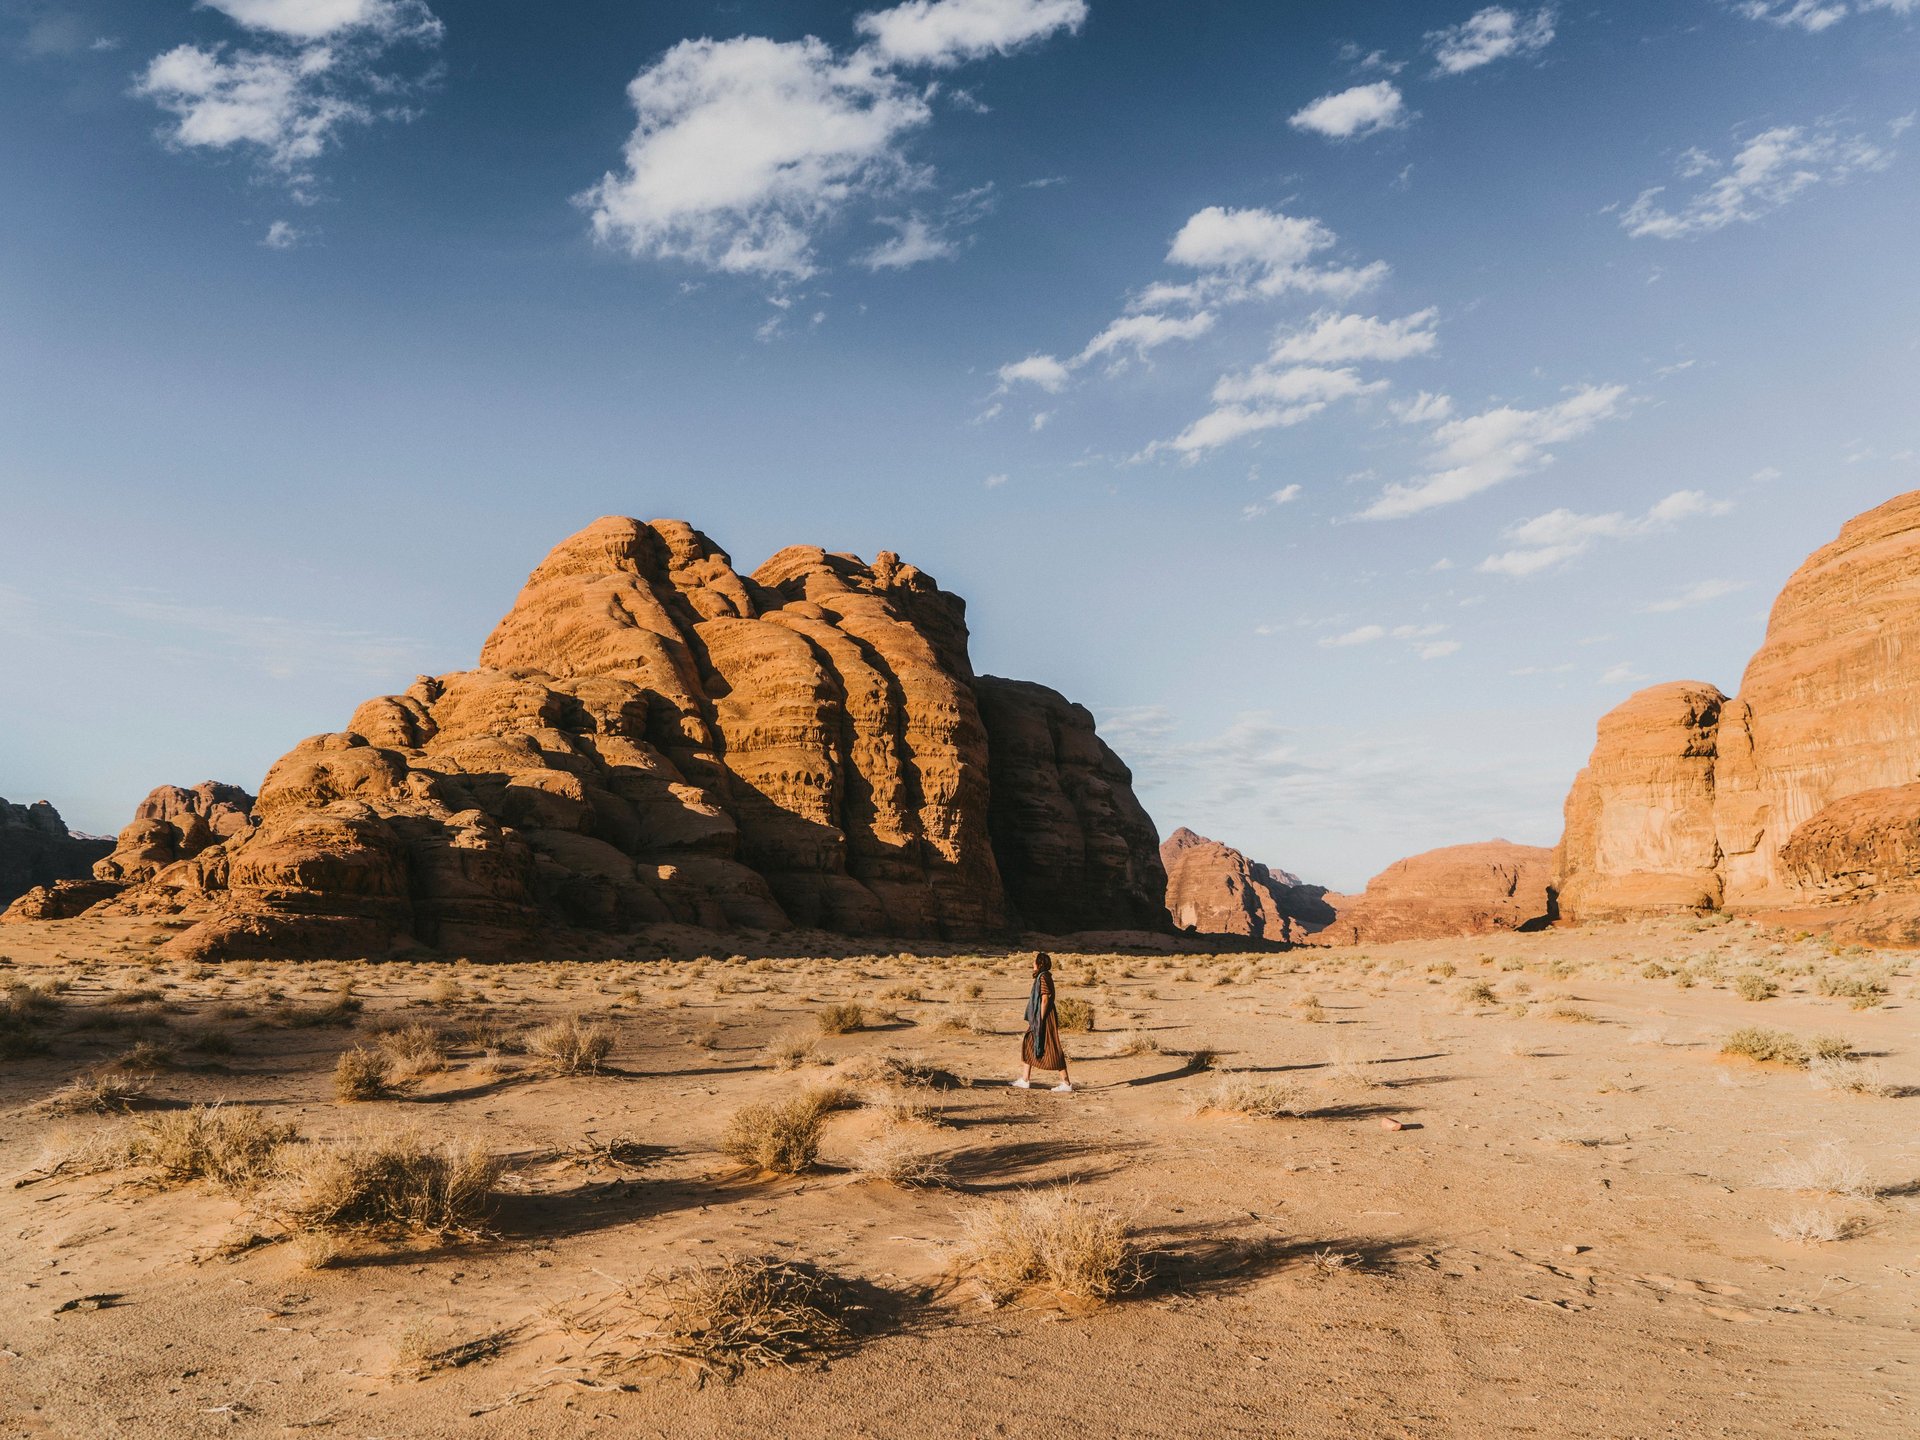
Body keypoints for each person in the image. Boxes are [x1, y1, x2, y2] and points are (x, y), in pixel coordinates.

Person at [1014, 951, 1073, 1092]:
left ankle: (1066, 1083)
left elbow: (1045, 999)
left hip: (1044, 1017)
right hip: (1040, 1016)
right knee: (1030, 1042)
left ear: (1039, 963)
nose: (1032, 964)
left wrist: (1040, 1018)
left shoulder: (1043, 977)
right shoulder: (1043, 976)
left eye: (1035, 961)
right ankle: (1025, 1079)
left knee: (1052, 1047)